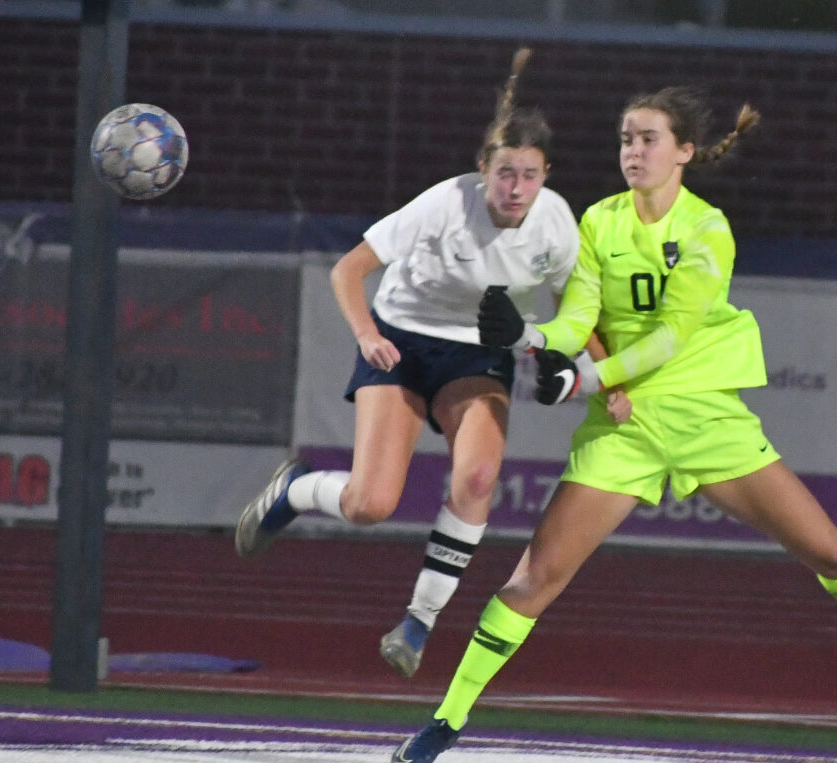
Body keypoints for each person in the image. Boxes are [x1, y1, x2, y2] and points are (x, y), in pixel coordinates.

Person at [391, 86, 837, 763]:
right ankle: (447, 719)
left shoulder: (709, 229)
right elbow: (577, 316)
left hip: (707, 419)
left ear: (683, 151)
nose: (633, 151)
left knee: (829, 552)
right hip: (626, 433)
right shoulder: (599, 223)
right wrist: (530, 335)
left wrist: (583, 379)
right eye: (625, 138)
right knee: (532, 580)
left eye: (648, 138)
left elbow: (670, 341)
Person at [232, 47, 580, 679]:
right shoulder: (445, 203)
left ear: (546, 174)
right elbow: (349, 270)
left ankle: (418, 622)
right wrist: (365, 334)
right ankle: (296, 489)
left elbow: (582, 309)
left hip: (477, 354)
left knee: (477, 480)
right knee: (370, 504)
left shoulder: (556, 225)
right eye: (505, 172)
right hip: (399, 339)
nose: (516, 188)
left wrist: (603, 375)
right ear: (482, 170)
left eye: (529, 174)